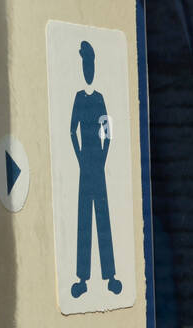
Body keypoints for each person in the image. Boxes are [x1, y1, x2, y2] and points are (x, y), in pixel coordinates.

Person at [70, 40, 122, 299]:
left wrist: (102, 157)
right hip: (85, 164)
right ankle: (82, 278)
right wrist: (80, 157)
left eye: (90, 64)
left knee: (102, 217)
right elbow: (71, 130)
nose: (88, 69)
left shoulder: (99, 98)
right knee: (84, 219)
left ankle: (110, 275)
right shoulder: (79, 98)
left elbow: (108, 133)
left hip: (98, 164)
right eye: (85, 65)